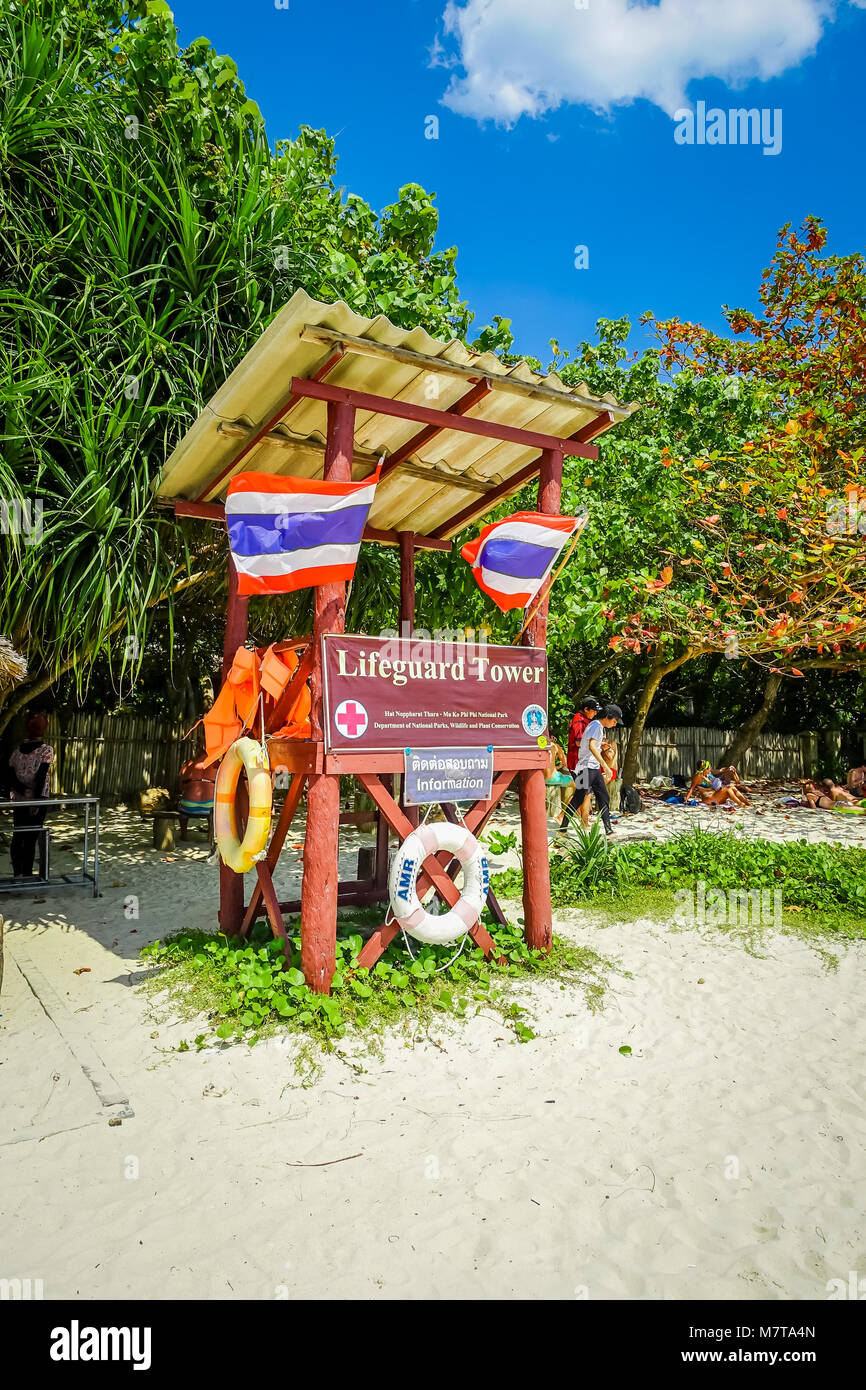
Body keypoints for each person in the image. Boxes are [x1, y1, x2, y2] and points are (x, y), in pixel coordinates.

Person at [559, 703, 623, 837]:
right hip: (586, 769)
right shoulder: (596, 726)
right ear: (607, 716)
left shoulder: (597, 726)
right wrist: (605, 766)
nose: (615, 724)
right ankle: (562, 829)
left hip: (592, 769)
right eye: (614, 721)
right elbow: (592, 746)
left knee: (603, 797)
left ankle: (608, 830)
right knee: (578, 798)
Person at [8, 712, 54, 877]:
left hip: (18, 798)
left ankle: (17, 873)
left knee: (18, 834)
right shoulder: (46, 750)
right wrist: (35, 800)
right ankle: (27, 874)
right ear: (45, 729)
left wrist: (22, 791)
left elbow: (10, 776)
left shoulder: (17, 751)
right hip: (37, 798)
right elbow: (41, 777)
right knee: (31, 836)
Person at [178, 743, 217, 845]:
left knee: (181, 806)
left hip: (188, 806)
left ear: (197, 749)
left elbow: (181, 786)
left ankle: (184, 834)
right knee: (215, 806)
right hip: (210, 806)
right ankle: (210, 833)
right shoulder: (215, 764)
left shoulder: (190, 764)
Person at [566, 696, 601, 774]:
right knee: (583, 785)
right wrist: (596, 744)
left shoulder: (586, 720)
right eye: (594, 711)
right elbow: (578, 742)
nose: (595, 713)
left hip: (584, 761)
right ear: (586, 709)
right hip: (577, 762)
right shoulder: (579, 721)